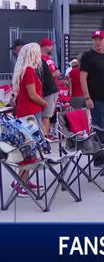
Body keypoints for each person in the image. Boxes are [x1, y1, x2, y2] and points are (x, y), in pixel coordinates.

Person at [10, 43, 48, 196]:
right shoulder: (29, 71)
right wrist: (44, 103)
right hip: (30, 113)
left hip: (26, 112)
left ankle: (23, 180)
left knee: (28, 149)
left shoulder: (23, 71)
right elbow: (32, 94)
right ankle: (20, 182)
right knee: (29, 149)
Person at [80, 29, 104, 166]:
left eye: (100, 39)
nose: (97, 42)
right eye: (95, 39)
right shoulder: (88, 57)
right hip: (96, 100)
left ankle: (103, 156)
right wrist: (87, 97)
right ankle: (98, 159)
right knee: (98, 129)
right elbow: (83, 78)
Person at [38, 38, 60, 135]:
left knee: (49, 115)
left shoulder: (49, 59)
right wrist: (54, 74)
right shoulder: (41, 59)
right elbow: (43, 75)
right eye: (50, 46)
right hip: (47, 91)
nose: (52, 48)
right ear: (44, 46)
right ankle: (45, 136)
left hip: (52, 89)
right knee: (45, 116)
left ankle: (48, 133)